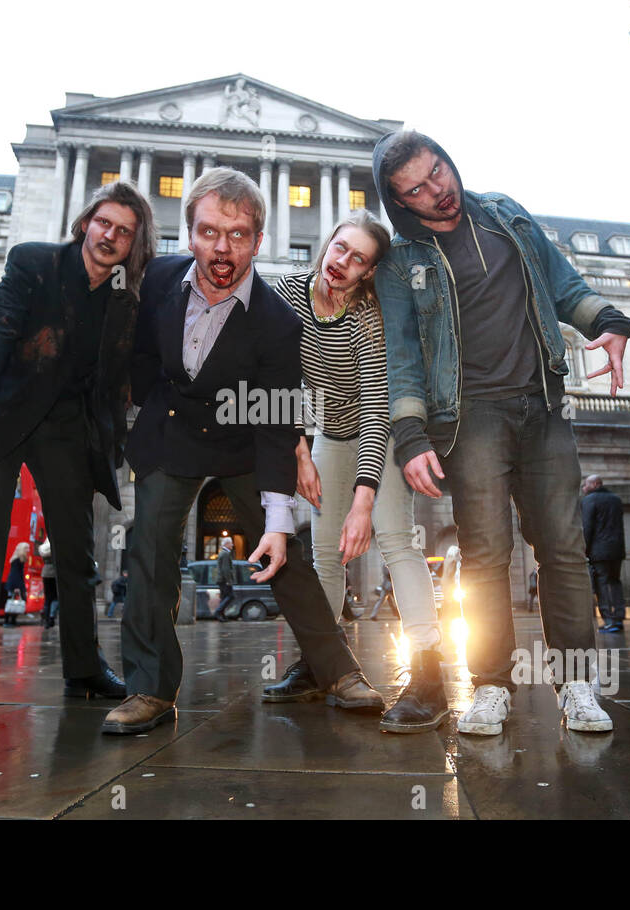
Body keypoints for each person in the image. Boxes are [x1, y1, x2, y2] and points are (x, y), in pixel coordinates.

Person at [106, 167, 383, 735]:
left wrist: (278, 520)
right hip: (170, 433)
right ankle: (150, 689)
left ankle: (337, 670)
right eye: (209, 232)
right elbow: (135, 354)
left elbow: (280, 414)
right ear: (189, 236)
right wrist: (142, 411)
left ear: (258, 241)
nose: (222, 247)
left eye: (238, 235)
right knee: (150, 550)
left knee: (286, 558)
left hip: (243, 441)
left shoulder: (278, 321)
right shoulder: (157, 279)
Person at [373, 130, 630, 735]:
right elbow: (402, 355)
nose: (437, 191)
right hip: (470, 418)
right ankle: (490, 687)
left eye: (438, 172)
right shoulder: (401, 262)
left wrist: (611, 320)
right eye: (416, 189)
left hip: (543, 404)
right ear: (401, 203)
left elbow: (563, 285)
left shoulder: (507, 215)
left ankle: (576, 685)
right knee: (487, 556)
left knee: (565, 551)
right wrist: (411, 436)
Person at [0, 180, 156, 738]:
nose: (111, 236)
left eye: (125, 231)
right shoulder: (33, 263)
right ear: (85, 223)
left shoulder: (130, 296)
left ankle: (84, 667)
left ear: (133, 244)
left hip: (71, 433)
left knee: (76, 558)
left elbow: (131, 374)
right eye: (105, 223)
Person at [271, 210, 447, 733]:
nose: (342, 263)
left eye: (359, 259)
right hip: (326, 431)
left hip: (381, 429)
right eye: (340, 248)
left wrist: (363, 500)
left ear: (369, 272)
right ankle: (321, 663)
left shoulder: (369, 317)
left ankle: (429, 673)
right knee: (324, 553)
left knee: (398, 542)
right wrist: (298, 447)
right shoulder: (288, 294)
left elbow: (376, 407)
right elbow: (275, 373)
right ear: (328, 244)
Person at [581, 474, 627, 633]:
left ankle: (608, 620)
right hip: (617, 549)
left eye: (586, 484)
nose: (583, 488)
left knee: (602, 584)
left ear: (595, 484)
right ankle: (619, 618)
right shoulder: (616, 499)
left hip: (598, 551)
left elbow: (587, 527)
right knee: (615, 581)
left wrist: (584, 549)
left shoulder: (589, 500)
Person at [3, 541, 29, 627]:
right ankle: (8, 621)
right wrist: (17, 587)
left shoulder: (18, 559)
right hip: (15, 584)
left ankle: (11, 621)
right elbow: (16, 574)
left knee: (13, 602)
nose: (28, 550)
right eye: (26, 548)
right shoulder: (17, 560)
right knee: (12, 602)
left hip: (15, 583)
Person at [215, 537, 236, 621]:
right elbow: (226, 569)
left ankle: (221, 615)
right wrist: (229, 581)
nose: (232, 545)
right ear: (227, 544)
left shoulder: (223, 553)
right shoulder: (225, 554)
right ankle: (218, 611)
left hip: (221, 580)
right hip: (224, 580)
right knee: (230, 596)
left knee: (224, 597)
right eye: (231, 543)